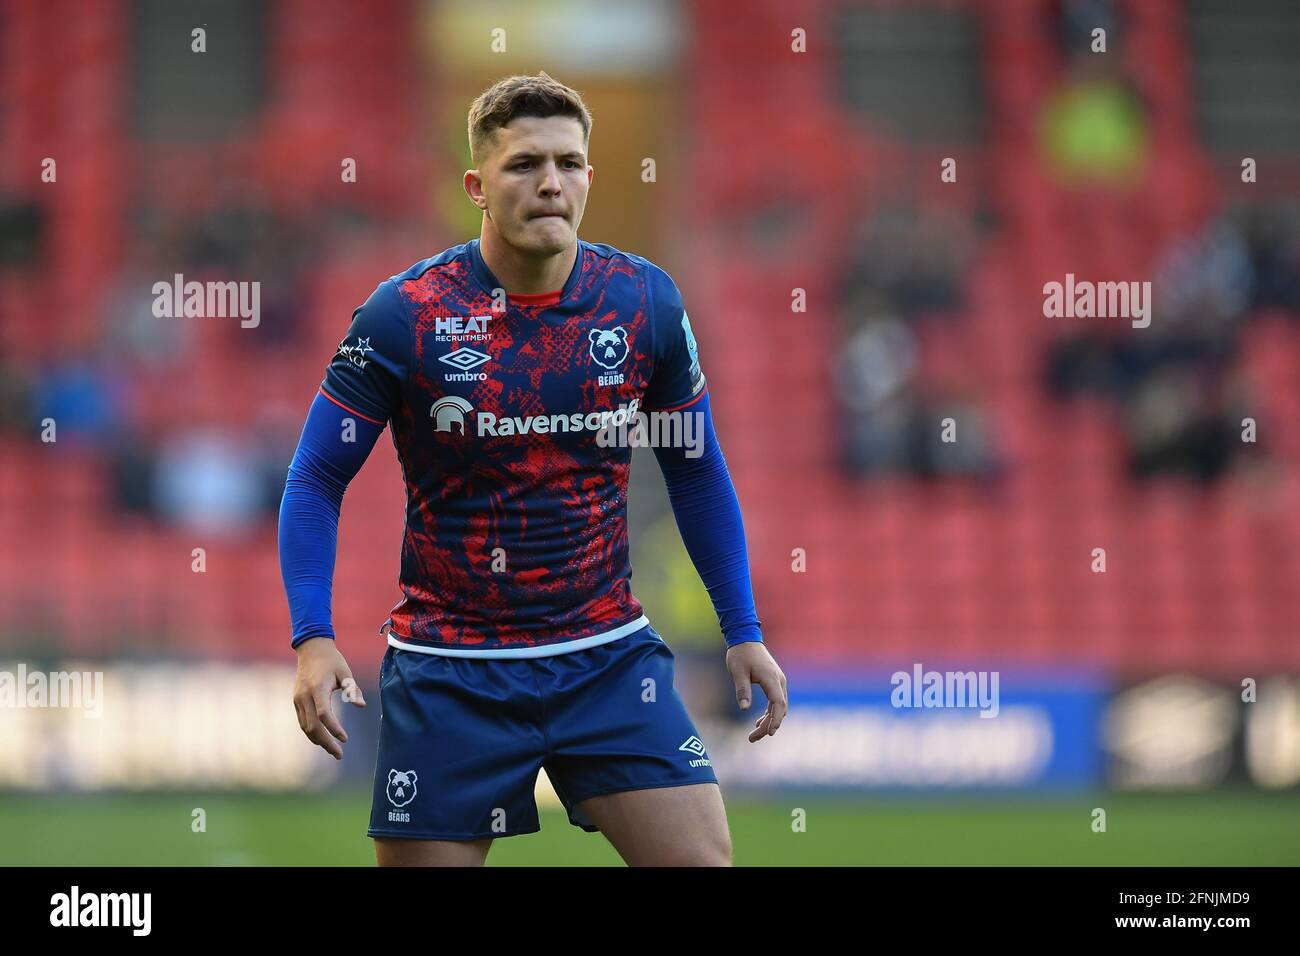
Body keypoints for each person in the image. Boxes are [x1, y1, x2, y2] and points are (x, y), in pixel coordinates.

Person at [277, 72, 786, 867]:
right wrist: (313, 637)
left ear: (590, 175)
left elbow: (694, 471)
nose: (550, 182)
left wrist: (742, 628)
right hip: (452, 671)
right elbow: (315, 476)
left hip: (608, 660)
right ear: (478, 185)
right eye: (523, 165)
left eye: (569, 162)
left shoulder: (644, 303)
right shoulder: (405, 315)